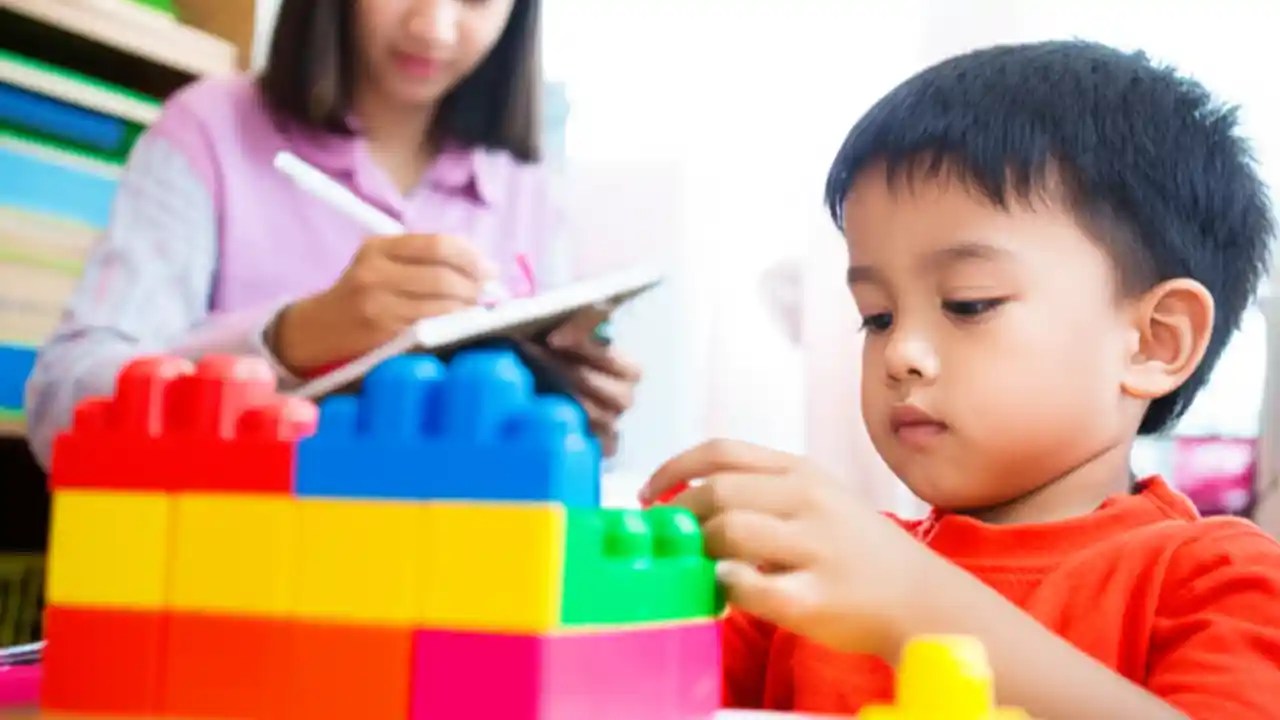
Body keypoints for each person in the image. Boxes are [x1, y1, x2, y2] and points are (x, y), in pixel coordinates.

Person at [641, 40, 1280, 719]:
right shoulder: (810, 582)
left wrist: (915, 605)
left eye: (969, 304)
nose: (901, 353)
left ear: (1154, 342)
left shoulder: (1217, 578)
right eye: (877, 316)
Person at [25, 0, 640, 467]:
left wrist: (576, 417)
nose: (434, 27)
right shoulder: (210, 129)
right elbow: (60, 411)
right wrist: (290, 341)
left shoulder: (531, 191)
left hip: (457, 574)